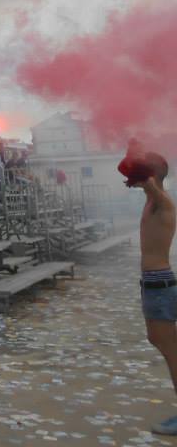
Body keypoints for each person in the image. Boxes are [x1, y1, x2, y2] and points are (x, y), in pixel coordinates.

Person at [120, 150, 177, 435]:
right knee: (162, 343)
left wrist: (141, 167)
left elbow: (148, 181)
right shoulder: (152, 203)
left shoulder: (163, 202)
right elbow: (137, 175)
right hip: (154, 283)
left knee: (171, 350)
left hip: (159, 283)